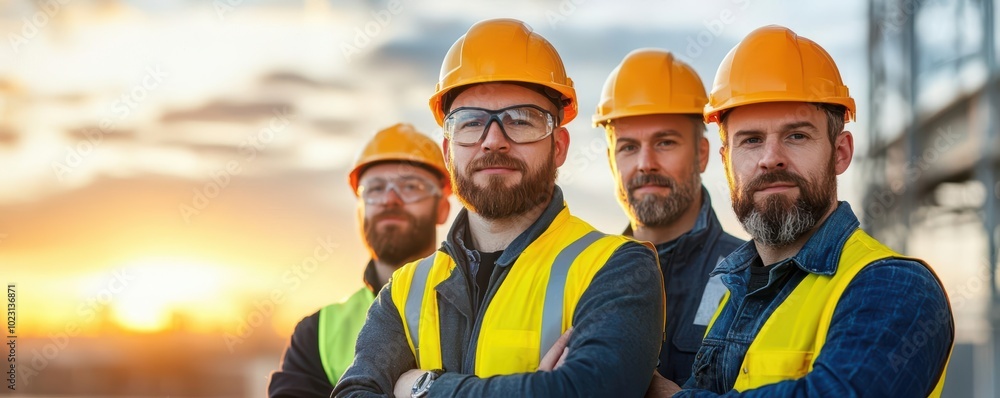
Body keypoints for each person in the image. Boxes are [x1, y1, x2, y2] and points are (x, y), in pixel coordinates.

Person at [333, 18, 664, 398]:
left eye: (520, 120)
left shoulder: (618, 267)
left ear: (559, 146)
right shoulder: (405, 290)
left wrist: (423, 386)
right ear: (448, 151)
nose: (493, 141)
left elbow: (588, 391)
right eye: (471, 123)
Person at [666, 25, 954, 397]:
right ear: (726, 162)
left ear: (841, 152)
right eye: (751, 140)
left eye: (796, 136)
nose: (771, 159)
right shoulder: (731, 290)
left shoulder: (896, 287)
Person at [592, 49, 744, 385]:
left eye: (664, 142)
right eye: (628, 147)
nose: (645, 163)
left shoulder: (749, 276)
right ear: (611, 161)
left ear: (702, 155)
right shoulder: (588, 275)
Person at [267, 123, 451, 398]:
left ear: (443, 208)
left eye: (410, 186)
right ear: (360, 211)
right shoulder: (318, 334)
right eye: (375, 189)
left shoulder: (478, 304)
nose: (390, 199)